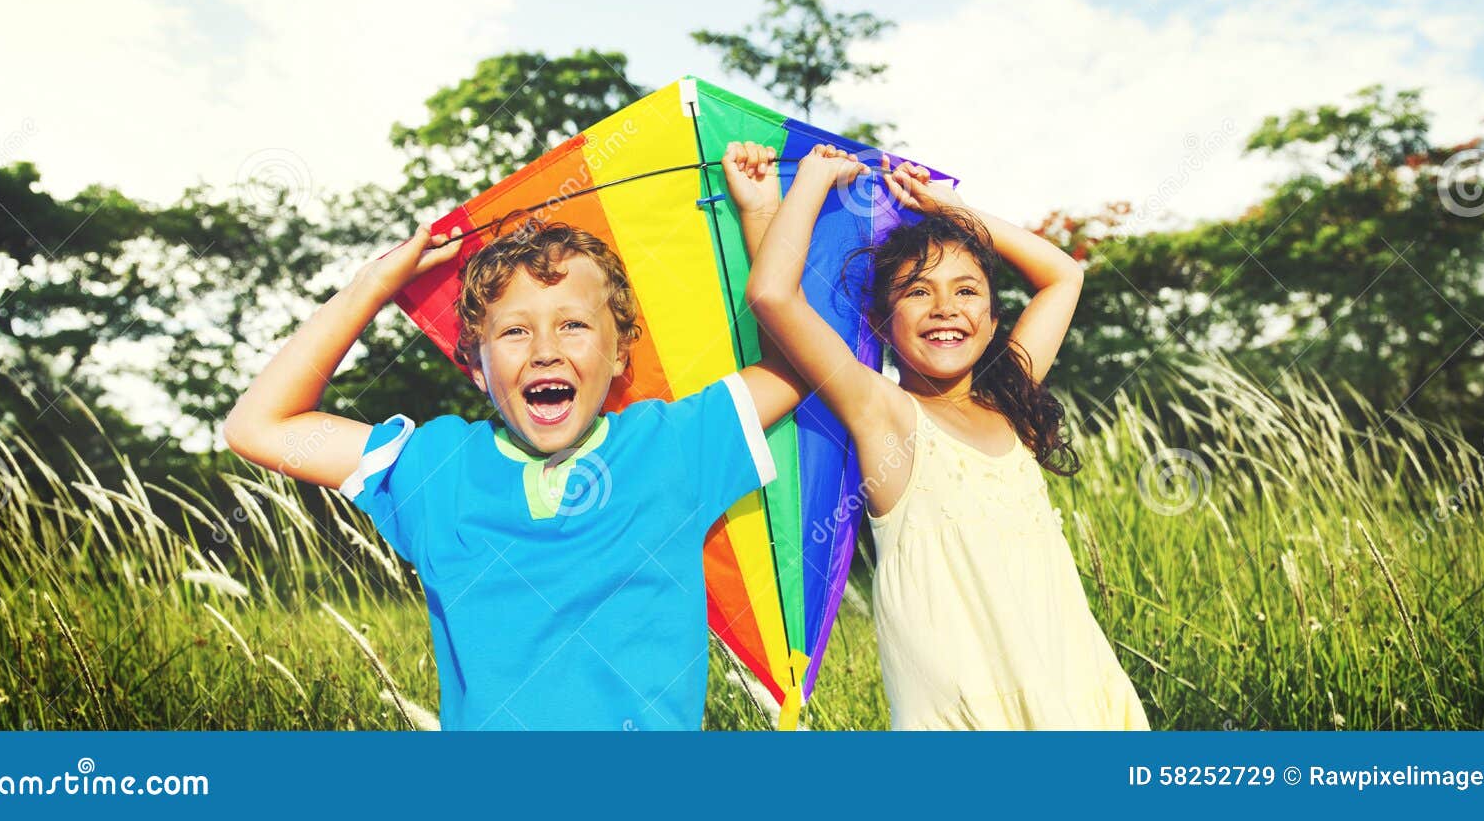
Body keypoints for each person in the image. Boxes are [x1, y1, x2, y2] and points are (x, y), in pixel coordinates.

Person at [222, 141, 802, 729]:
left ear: (620, 353)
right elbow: (258, 427)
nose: (545, 350)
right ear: (476, 366)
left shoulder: (672, 446)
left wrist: (761, 214)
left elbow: (796, 364)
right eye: (515, 332)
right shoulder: (435, 467)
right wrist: (370, 286)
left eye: (573, 325)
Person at [746, 142, 1149, 730]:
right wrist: (809, 180)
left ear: (992, 320)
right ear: (882, 323)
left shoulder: (1010, 405)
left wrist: (950, 209)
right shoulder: (884, 413)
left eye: (966, 291)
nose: (944, 307)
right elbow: (773, 296)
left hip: (1081, 697)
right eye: (916, 291)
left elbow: (1064, 276)